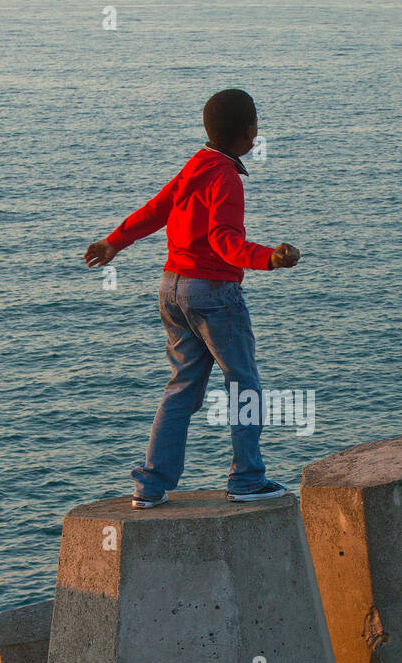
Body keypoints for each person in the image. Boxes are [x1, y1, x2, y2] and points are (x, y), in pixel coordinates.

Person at [84, 89, 300, 508]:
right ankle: (247, 480)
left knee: (182, 386)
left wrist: (115, 242)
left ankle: (149, 486)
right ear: (250, 133)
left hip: (172, 288)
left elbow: (157, 208)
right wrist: (268, 259)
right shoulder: (226, 177)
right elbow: (223, 241)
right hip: (213, 292)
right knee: (245, 386)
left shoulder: (196, 165)